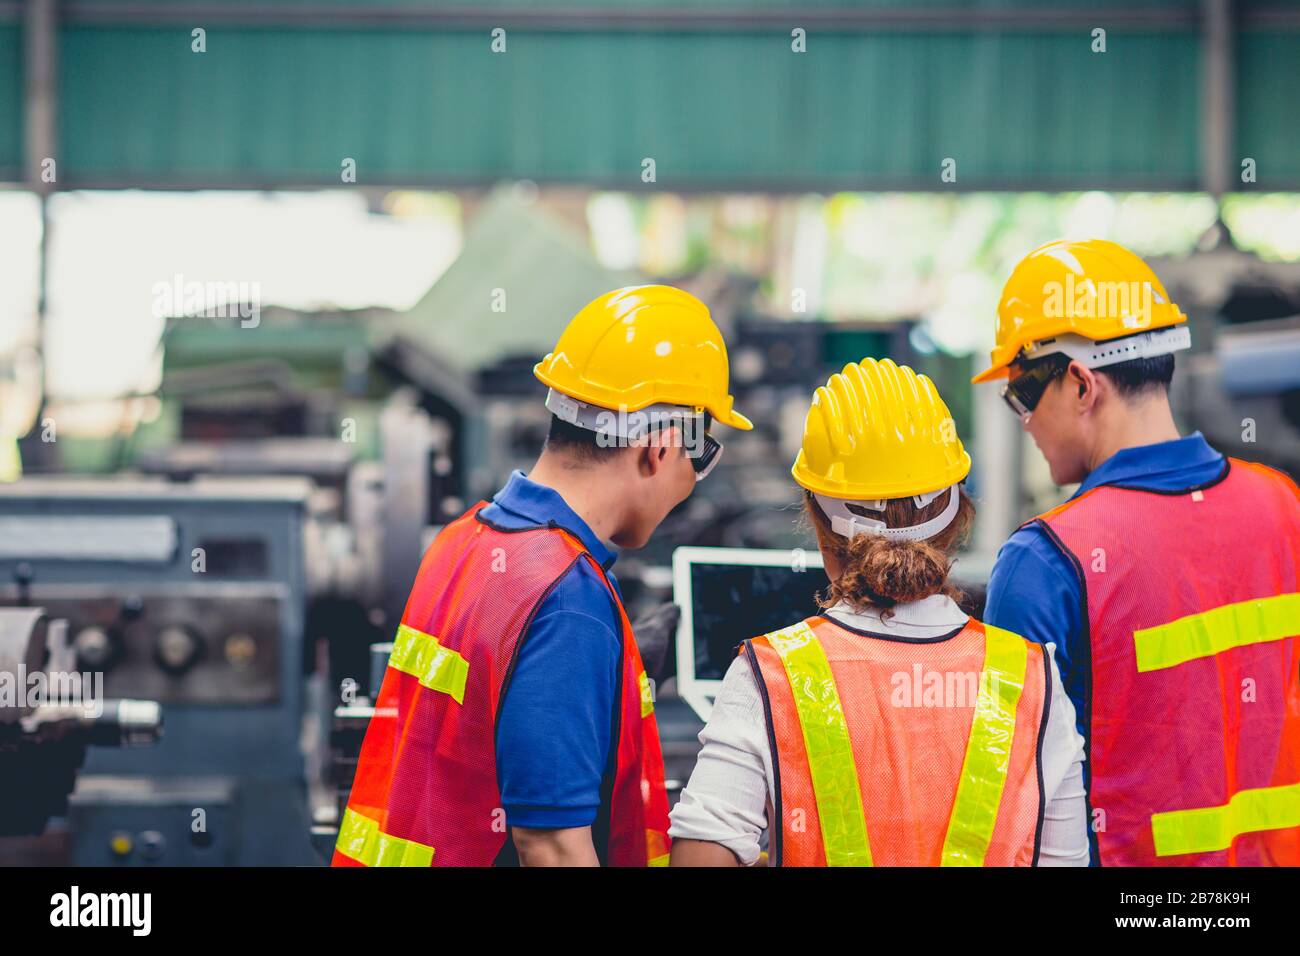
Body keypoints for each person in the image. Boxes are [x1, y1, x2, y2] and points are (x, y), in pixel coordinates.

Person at [333, 285, 752, 867]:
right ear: (658, 448)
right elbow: (552, 848)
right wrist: (579, 650)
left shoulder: (465, 539)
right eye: (699, 455)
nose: (692, 481)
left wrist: (609, 684)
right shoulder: (566, 603)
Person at [669, 357, 1088, 866]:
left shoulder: (773, 674)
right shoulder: (1032, 682)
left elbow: (700, 857)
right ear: (957, 521)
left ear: (823, 534)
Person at [978, 238, 1300, 866]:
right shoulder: (1284, 508)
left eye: (1021, 394)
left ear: (1078, 383)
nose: (1022, 419)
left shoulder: (1046, 562)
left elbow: (1011, 810)